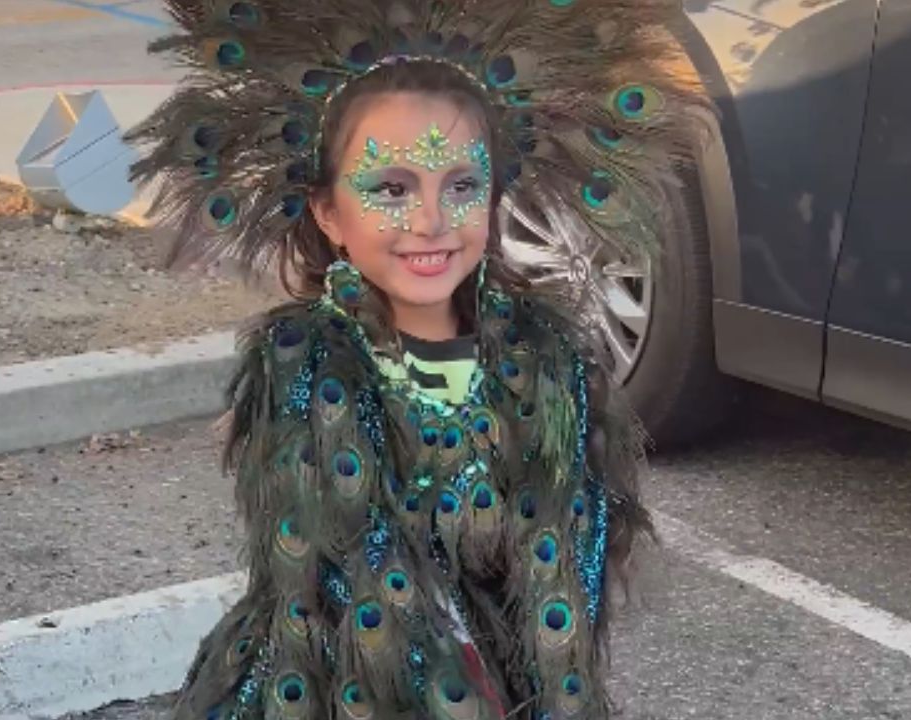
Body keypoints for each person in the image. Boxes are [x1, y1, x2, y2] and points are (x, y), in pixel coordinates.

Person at [128, 1, 703, 717]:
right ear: (329, 212)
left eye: (461, 186)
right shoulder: (306, 366)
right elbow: (342, 585)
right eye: (392, 189)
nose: (430, 220)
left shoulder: (549, 359)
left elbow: (568, 579)